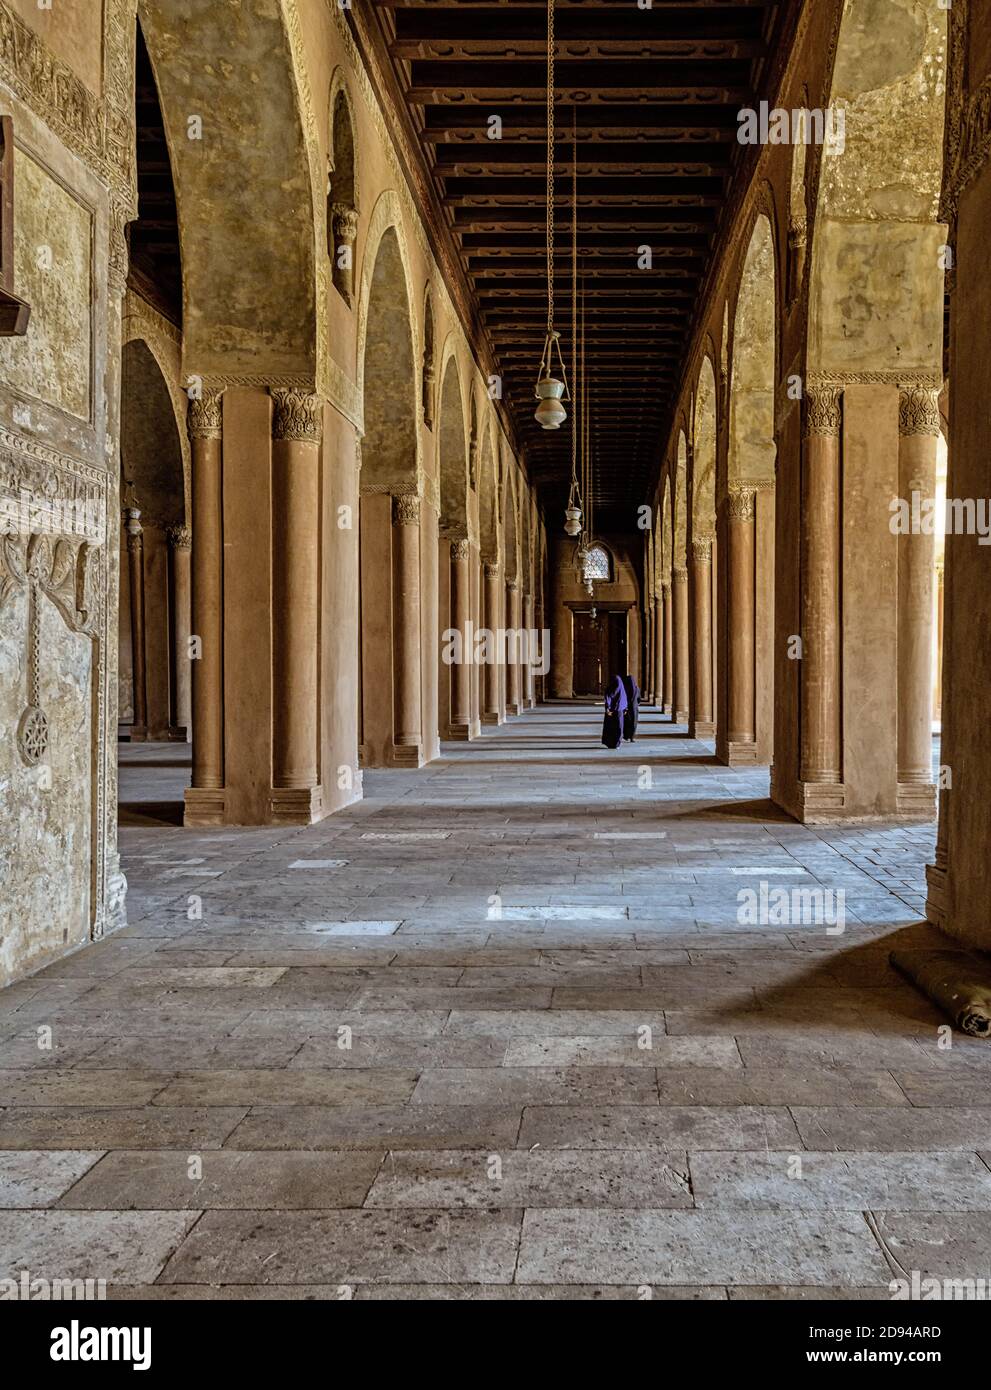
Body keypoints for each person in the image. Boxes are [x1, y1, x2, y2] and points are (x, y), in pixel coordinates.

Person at [601, 672, 627, 749]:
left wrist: (608, 708)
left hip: (618, 709)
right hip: (616, 709)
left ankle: (616, 743)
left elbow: (611, 696)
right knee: (612, 727)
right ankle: (611, 743)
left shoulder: (613, 689)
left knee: (618, 727)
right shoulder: (616, 689)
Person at [620, 672, 640, 742]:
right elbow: (639, 699)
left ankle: (626, 736)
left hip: (627, 707)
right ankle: (632, 737)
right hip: (634, 708)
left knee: (626, 722)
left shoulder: (625, 689)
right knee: (633, 723)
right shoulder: (637, 689)